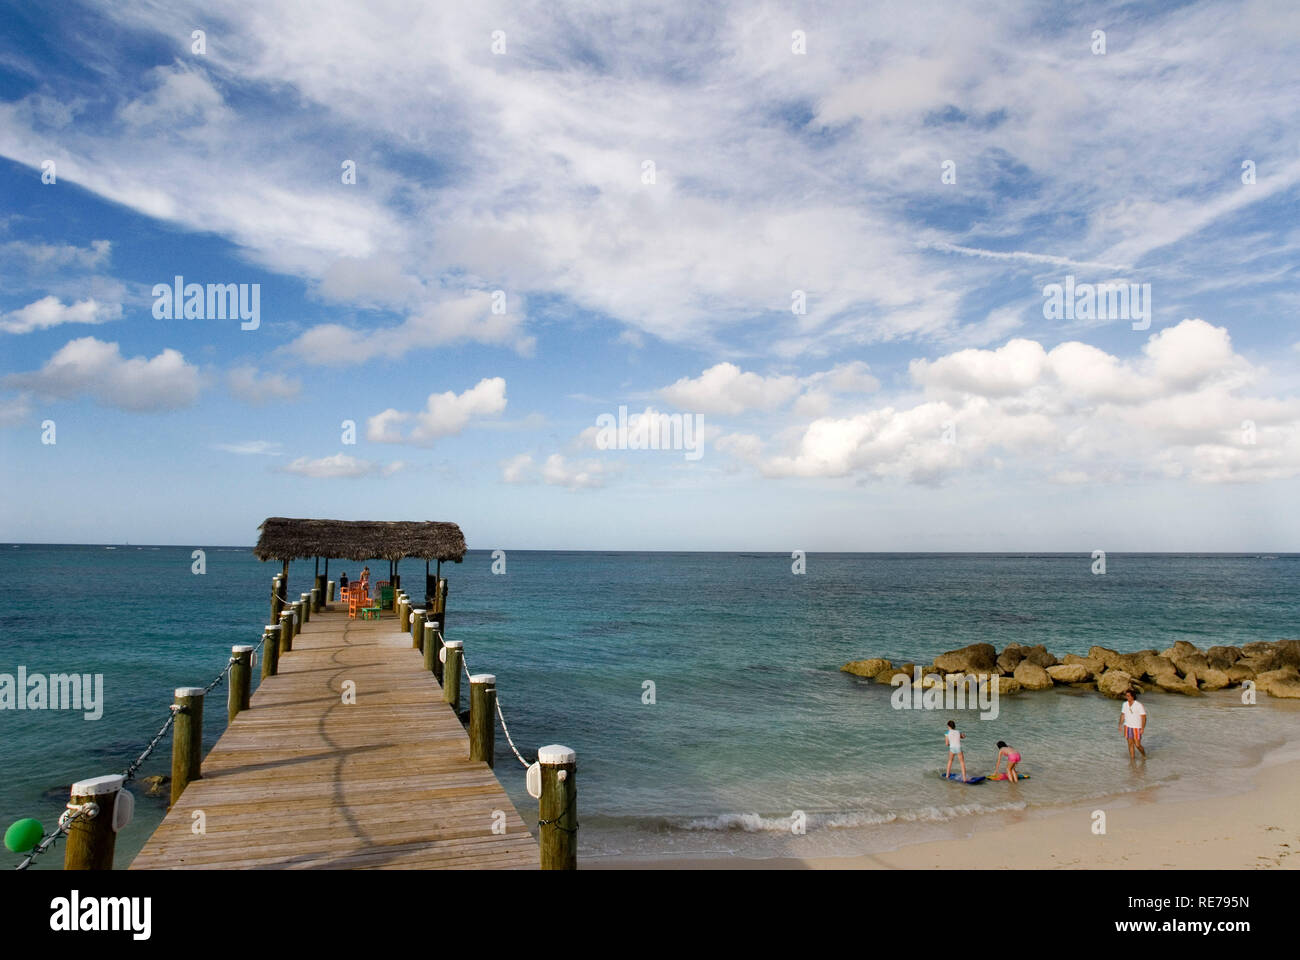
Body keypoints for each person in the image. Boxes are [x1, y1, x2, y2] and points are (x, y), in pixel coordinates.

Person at [1120, 689, 1147, 758]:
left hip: (1137, 727)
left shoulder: (1139, 705)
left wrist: (1142, 728)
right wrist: (1120, 724)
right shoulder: (1124, 704)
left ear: (1132, 696)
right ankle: (1132, 761)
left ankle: (1144, 755)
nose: (1126, 697)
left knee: (1137, 745)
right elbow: (1123, 715)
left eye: (1128, 696)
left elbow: (1144, 717)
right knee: (1130, 744)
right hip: (1127, 726)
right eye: (1126, 696)